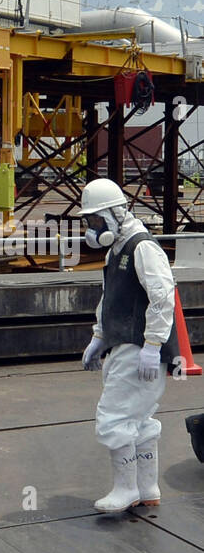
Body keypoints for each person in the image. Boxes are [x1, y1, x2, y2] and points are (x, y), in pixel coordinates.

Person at [79, 179, 177, 513]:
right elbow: (111, 299)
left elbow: (162, 296)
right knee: (139, 416)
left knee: (114, 416)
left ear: (115, 214)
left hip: (138, 348)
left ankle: (126, 489)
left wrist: (153, 344)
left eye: (95, 221)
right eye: (88, 222)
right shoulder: (118, 249)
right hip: (125, 345)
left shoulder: (141, 246)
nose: (92, 228)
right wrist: (99, 335)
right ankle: (147, 485)